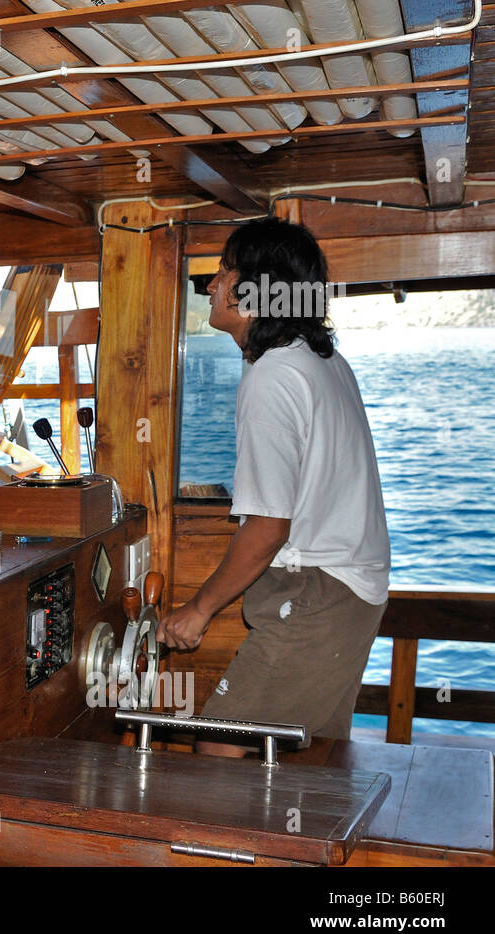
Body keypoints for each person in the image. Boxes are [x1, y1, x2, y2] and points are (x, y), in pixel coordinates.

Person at [156, 217, 390, 752]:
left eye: (224, 271)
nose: (211, 284)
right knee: (309, 761)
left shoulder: (274, 376)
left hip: (320, 591)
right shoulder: (321, 362)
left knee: (219, 746)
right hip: (351, 589)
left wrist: (198, 610)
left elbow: (268, 526)